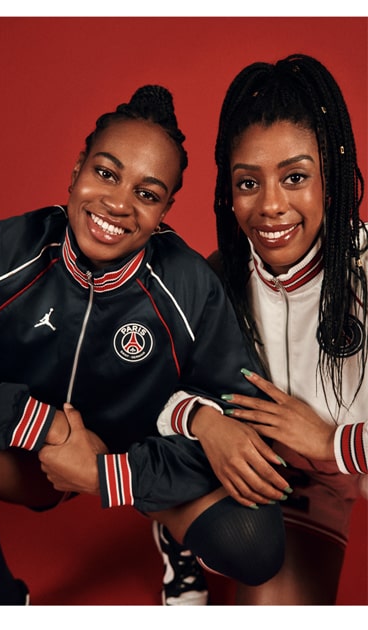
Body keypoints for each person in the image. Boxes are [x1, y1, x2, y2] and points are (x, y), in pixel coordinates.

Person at [0, 85, 286, 605]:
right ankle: (1, 603)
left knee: (253, 543)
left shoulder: (188, 285)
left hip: (137, 460)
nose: (118, 203)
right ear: (77, 168)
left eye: (146, 193)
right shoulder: (10, 247)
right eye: (106, 172)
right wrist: (44, 424)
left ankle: (172, 535)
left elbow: (241, 413)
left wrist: (109, 474)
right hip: (30, 456)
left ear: (166, 208)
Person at [154, 53, 367, 605]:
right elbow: (142, 387)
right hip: (268, 473)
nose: (271, 206)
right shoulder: (214, 279)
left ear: (332, 173)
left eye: (295, 177)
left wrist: (332, 443)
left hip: (349, 463)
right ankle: (181, 532)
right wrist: (204, 424)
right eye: (249, 182)